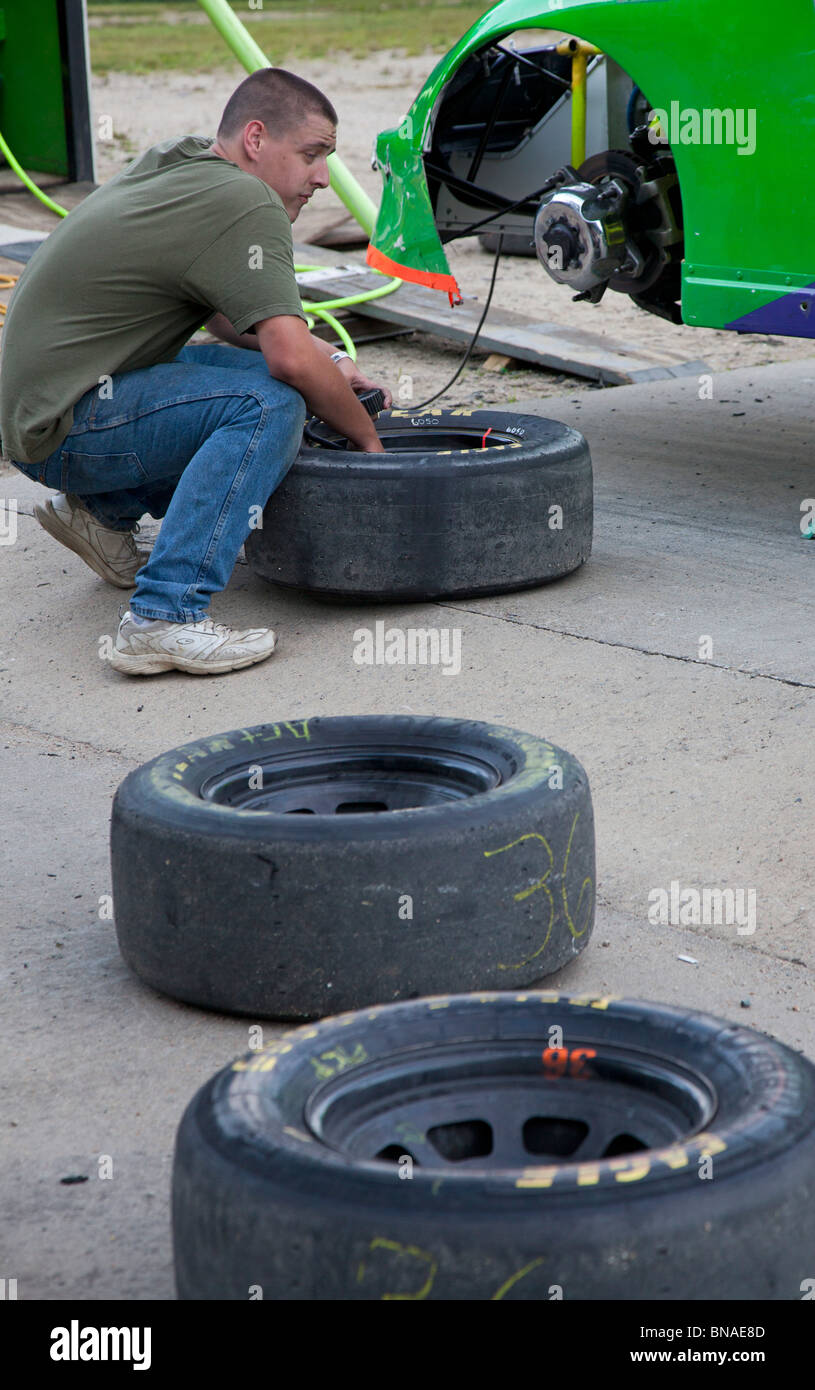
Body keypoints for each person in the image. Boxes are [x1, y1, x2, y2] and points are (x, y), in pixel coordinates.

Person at [0, 67, 390, 676]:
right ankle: (164, 616)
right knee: (269, 404)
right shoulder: (247, 200)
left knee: (252, 373)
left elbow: (225, 318)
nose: (322, 178)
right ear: (256, 139)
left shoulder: (180, 162)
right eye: (312, 155)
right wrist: (368, 444)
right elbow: (286, 359)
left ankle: (101, 514)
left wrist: (333, 363)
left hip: (49, 402)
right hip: (65, 425)